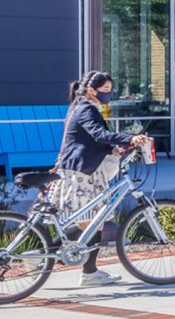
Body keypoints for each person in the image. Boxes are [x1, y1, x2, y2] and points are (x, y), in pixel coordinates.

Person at [56, 71, 153, 288]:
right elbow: (98, 134)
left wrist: (114, 148)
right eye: (106, 91)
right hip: (84, 173)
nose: (109, 95)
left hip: (84, 169)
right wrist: (130, 138)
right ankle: (80, 268)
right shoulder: (87, 109)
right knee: (93, 221)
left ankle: (87, 270)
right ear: (91, 90)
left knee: (90, 223)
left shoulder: (80, 107)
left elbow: (90, 138)